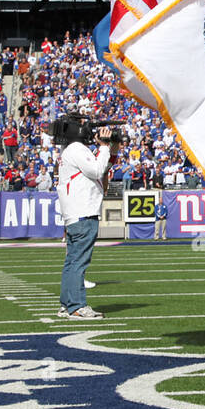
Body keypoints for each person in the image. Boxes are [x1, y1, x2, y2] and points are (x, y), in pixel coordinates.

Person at [56, 119, 113, 319]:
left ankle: (67, 304)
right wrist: (104, 146)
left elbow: (99, 169)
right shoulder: (77, 149)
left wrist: (108, 149)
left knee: (72, 262)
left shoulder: (70, 150)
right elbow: (96, 170)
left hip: (76, 213)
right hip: (83, 212)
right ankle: (76, 306)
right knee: (79, 262)